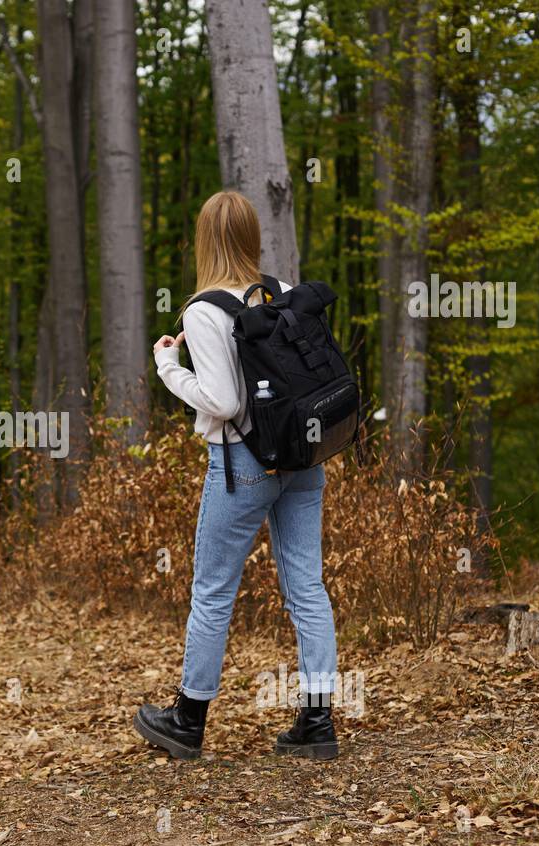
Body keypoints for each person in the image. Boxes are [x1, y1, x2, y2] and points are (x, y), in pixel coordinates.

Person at [134, 189, 339, 762]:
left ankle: (188, 721)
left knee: (214, 591)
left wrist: (168, 367)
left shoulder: (202, 310)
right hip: (301, 459)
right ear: (251, 235)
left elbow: (222, 401)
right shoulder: (278, 292)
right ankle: (317, 721)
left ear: (204, 239)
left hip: (242, 464)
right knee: (306, 586)